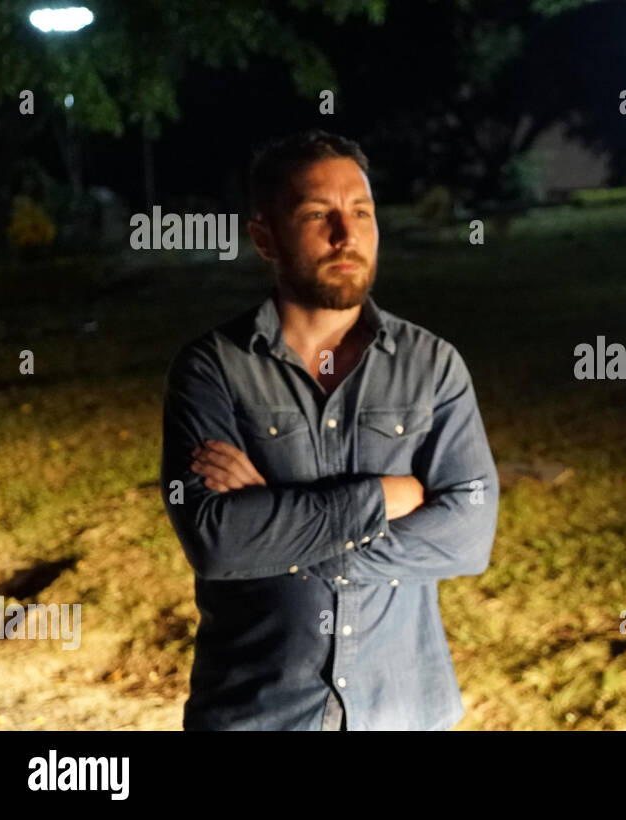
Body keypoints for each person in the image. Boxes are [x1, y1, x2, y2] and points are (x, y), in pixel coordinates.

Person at [160, 130, 498, 730]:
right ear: (264, 235)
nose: (347, 235)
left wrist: (274, 522)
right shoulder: (213, 368)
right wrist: (382, 499)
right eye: (319, 215)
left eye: (361, 212)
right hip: (258, 714)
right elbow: (216, 542)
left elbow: (468, 538)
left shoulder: (432, 366)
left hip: (402, 711)